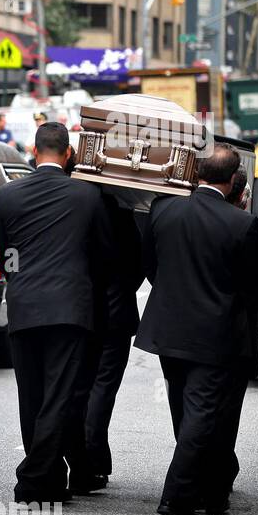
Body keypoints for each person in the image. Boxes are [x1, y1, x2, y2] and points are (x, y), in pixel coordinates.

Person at [136, 144, 258, 515]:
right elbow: (254, 286)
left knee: (184, 409)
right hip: (214, 332)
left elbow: (150, 264)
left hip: (169, 328)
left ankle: (205, 484)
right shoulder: (242, 224)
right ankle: (178, 496)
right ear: (232, 181)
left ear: (196, 174)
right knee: (201, 413)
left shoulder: (163, 209)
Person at [0, 122, 112, 504]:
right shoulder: (87, 195)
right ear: (70, 153)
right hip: (69, 309)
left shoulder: (8, 194)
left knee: (31, 395)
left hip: (25, 306)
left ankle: (45, 476)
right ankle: (37, 477)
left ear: (33, 148)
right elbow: (103, 255)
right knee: (60, 395)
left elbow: (1, 256)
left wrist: (24, 280)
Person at [220, 168, 258, 513]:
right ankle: (217, 473)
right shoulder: (255, 229)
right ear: (242, 195)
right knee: (225, 411)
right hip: (234, 331)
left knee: (188, 407)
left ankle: (210, 467)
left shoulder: (171, 213)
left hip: (180, 333)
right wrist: (242, 310)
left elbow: (154, 266)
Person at [77, 187, 145, 484]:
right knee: (103, 387)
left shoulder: (76, 206)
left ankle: (83, 457)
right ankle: (91, 458)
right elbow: (139, 263)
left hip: (81, 310)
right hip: (116, 312)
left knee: (80, 387)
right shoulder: (122, 213)